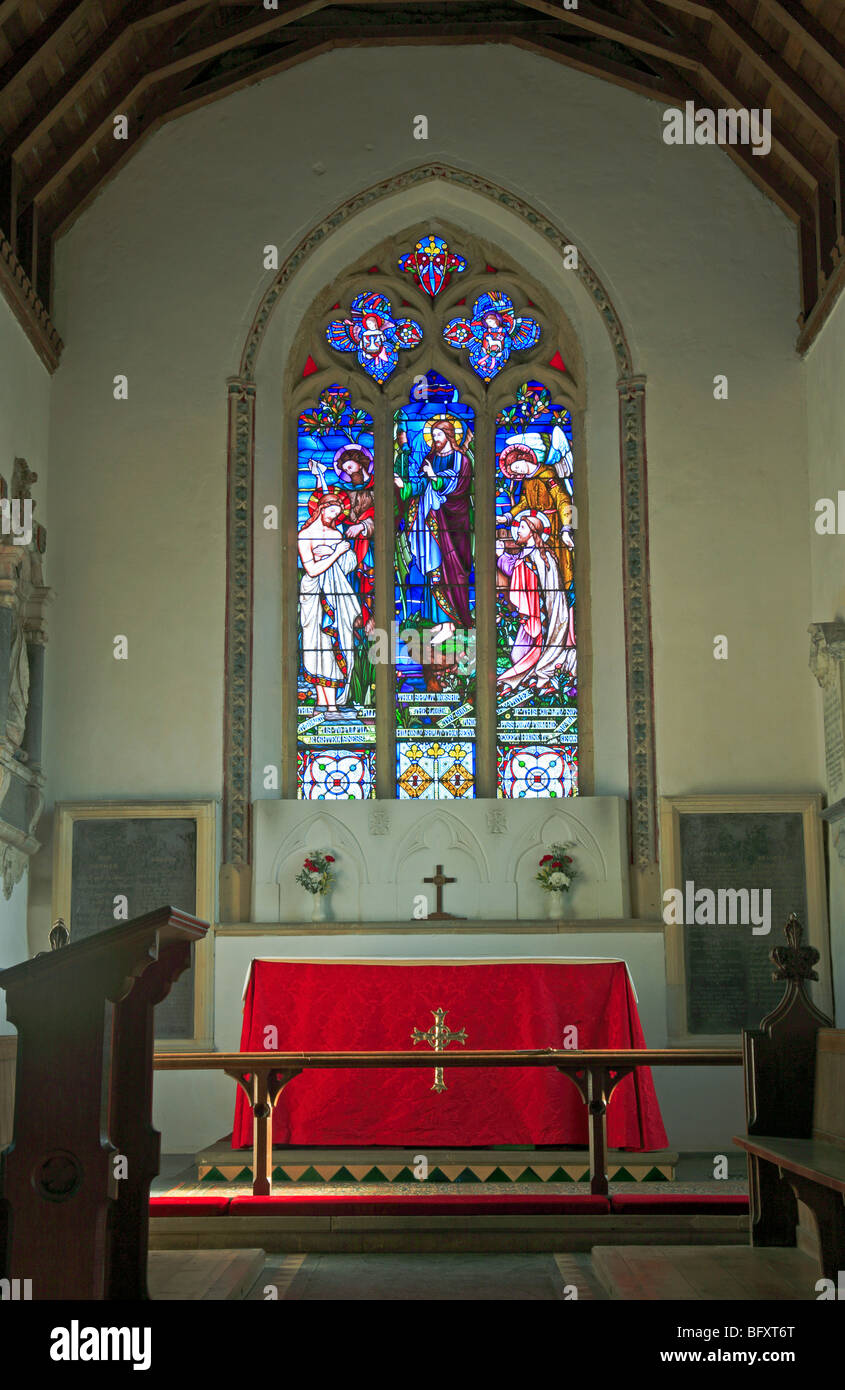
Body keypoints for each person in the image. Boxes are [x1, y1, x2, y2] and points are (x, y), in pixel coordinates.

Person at [394, 414, 472, 646]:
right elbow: (421, 485)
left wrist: (433, 477)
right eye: (433, 435)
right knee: (432, 568)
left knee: (447, 570)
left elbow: (458, 488)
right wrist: (405, 486)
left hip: (450, 525)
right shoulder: (430, 457)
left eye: (439, 435)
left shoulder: (461, 460)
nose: (435, 439)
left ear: (449, 435)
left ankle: (451, 623)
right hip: (429, 521)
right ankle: (439, 619)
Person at [297, 488, 362, 719]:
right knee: (319, 647)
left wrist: (344, 554)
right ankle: (324, 705)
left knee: (337, 648)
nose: (334, 517)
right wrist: (334, 554)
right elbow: (312, 570)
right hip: (315, 598)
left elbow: (346, 568)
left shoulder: (336, 536)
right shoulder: (304, 536)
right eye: (332, 511)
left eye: (338, 513)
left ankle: (331, 705)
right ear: (321, 509)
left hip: (337, 595)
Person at [495, 510, 576, 693]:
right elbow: (517, 573)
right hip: (529, 616)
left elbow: (546, 588)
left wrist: (502, 556)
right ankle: (531, 678)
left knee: (524, 654)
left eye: (522, 528)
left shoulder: (542, 557)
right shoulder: (527, 555)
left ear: (532, 532)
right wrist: (502, 556)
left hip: (541, 618)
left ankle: (537, 677)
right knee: (517, 655)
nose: (518, 532)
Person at [498, 441, 575, 588]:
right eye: (515, 471)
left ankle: (564, 594)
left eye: (517, 466)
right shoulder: (527, 482)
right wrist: (507, 517)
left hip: (554, 525)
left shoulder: (548, 474)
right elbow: (524, 503)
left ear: (524, 458)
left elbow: (562, 498)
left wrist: (566, 527)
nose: (518, 471)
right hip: (536, 527)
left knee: (560, 561)